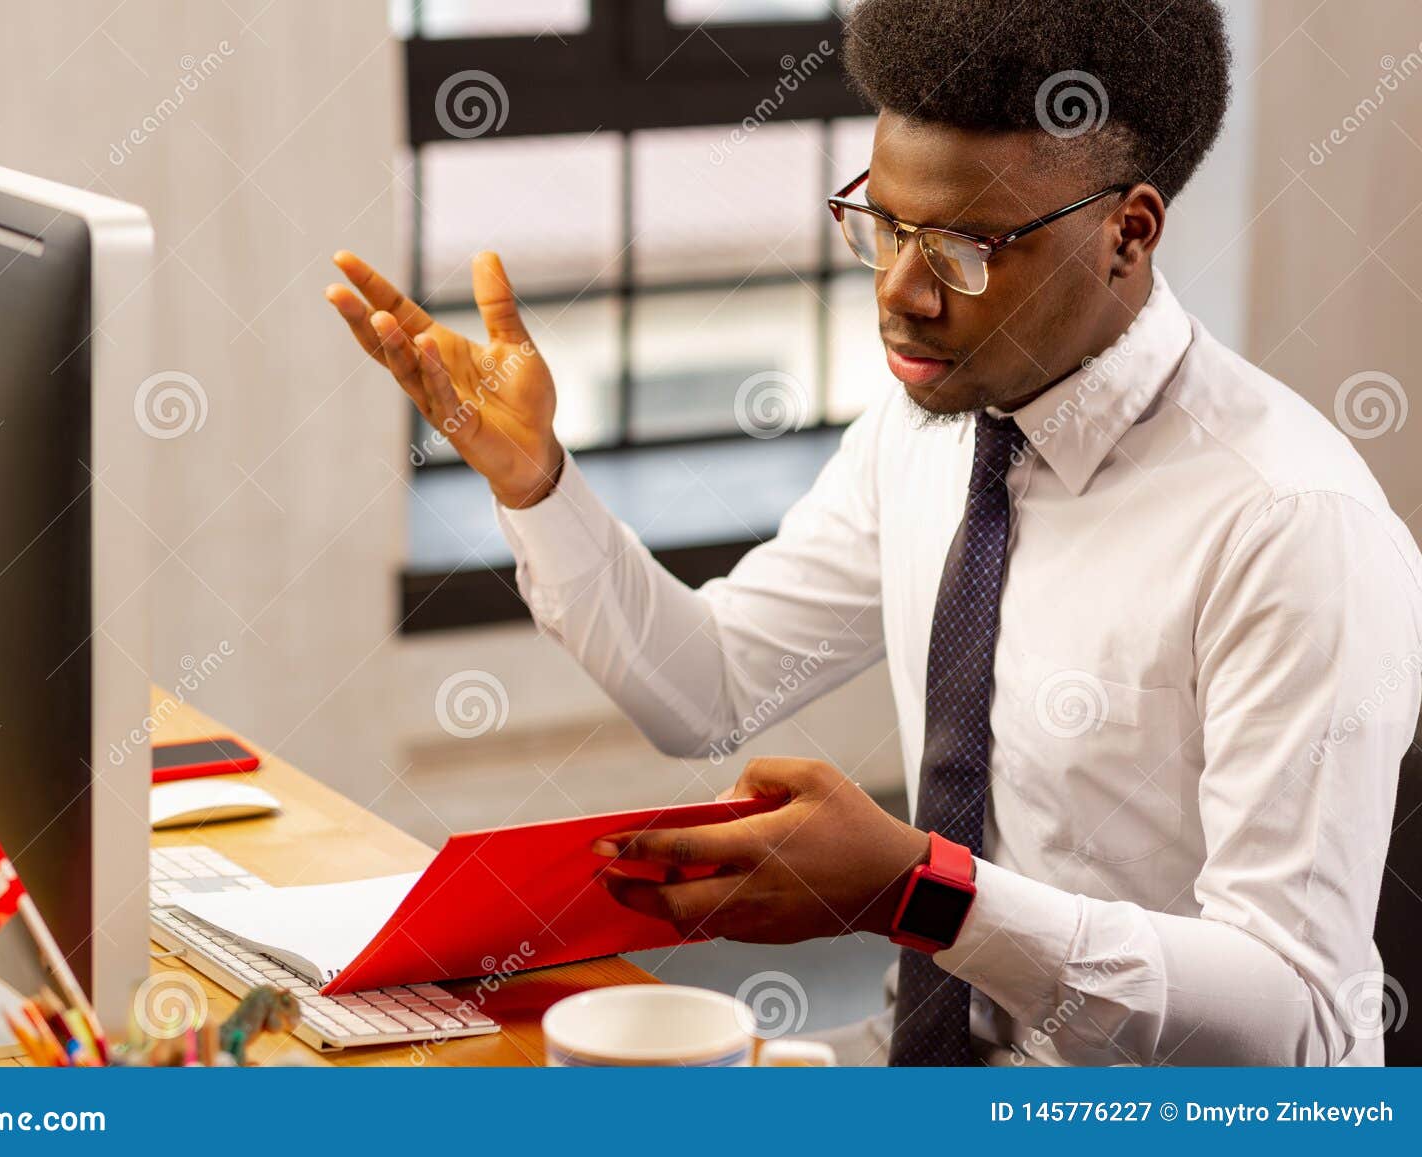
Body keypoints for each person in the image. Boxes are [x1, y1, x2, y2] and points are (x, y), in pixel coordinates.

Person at [326, 0, 1422, 1065]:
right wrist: (535, 481)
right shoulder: (931, 429)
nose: (900, 291)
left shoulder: (1288, 528)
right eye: (886, 223)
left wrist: (919, 889)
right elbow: (706, 687)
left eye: (965, 247)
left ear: (1126, 233)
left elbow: (1299, 1025)